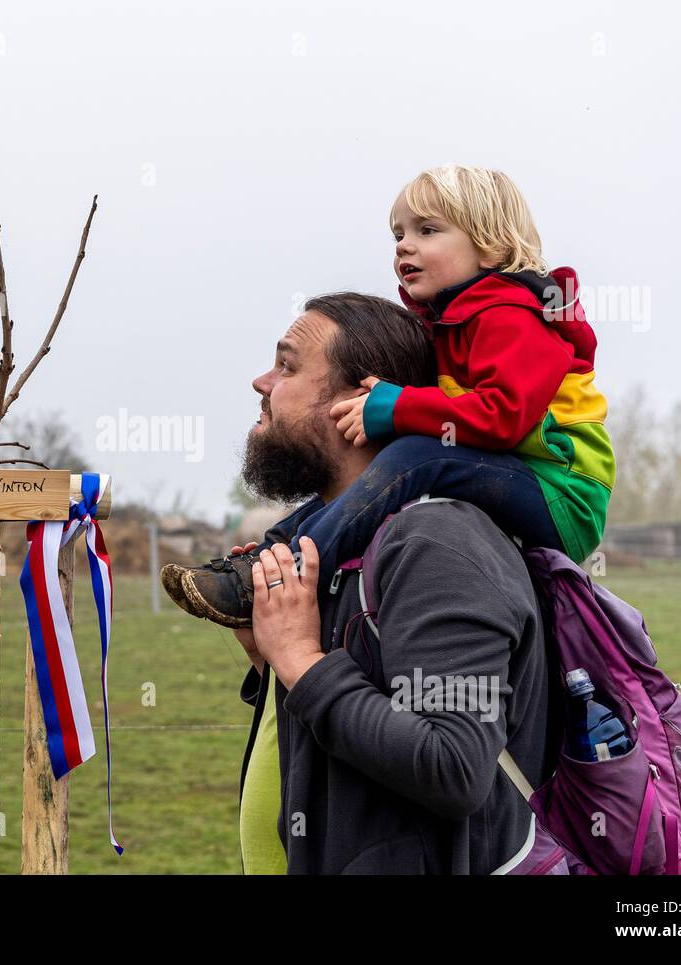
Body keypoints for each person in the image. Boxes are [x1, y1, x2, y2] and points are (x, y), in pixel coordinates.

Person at [162, 164, 614, 629]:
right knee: (374, 477)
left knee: (415, 457)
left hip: (562, 494)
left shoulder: (512, 316)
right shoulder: (456, 323)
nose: (404, 244)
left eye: (428, 229)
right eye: (398, 233)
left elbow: (503, 418)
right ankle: (264, 562)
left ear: (491, 245)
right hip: (517, 475)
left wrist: (396, 407)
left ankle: (289, 577)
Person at [215, 293, 557, 874]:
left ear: (360, 400)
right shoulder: (345, 550)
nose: (261, 381)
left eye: (288, 365)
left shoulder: (436, 543)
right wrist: (271, 658)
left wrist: (301, 660)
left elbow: (454, 767)